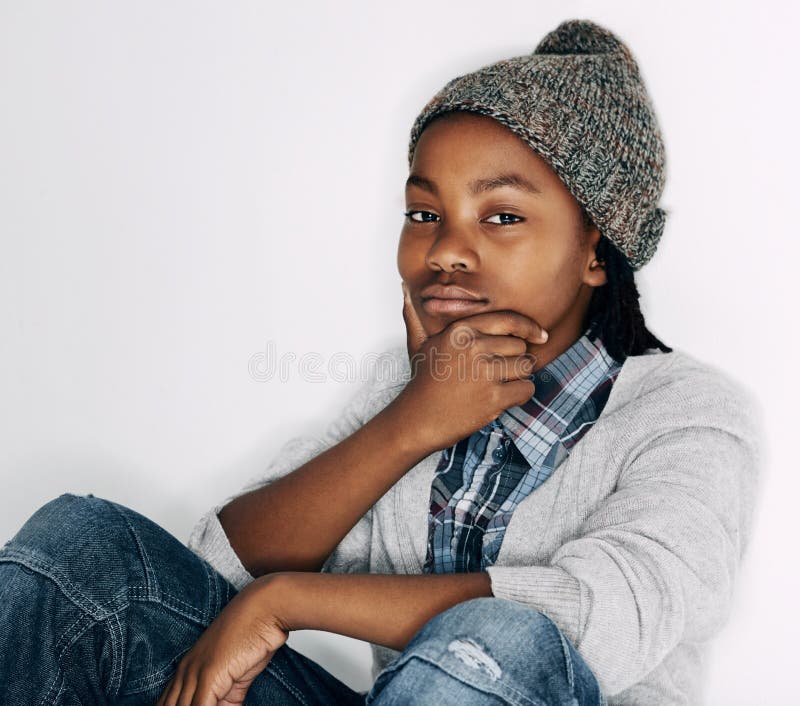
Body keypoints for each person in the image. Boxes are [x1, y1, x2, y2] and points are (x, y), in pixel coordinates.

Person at [0, 18, 762, 706]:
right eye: (425, 214)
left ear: (598, 248)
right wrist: (409, 426)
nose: (447, 251)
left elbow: (600, 616)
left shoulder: (691, 417)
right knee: (84, 547)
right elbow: (209, 571)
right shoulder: (411, 390)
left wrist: (286, 602)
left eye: (501, 216)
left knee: (497, 642)